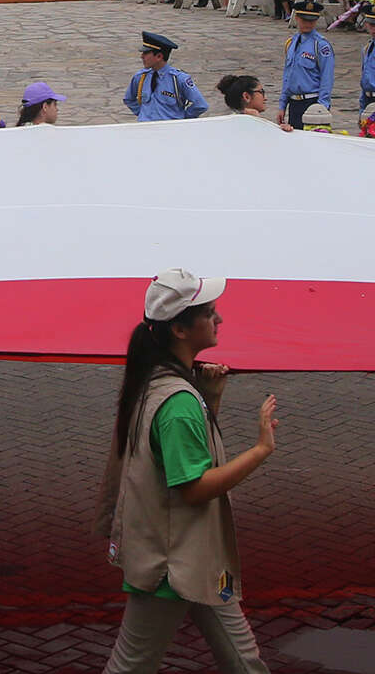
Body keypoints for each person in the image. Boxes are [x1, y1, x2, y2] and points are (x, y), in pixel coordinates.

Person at [97, 268, 277, 674]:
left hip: (192, 556)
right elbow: (193, 487)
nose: (219, 319)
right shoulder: (178, 402)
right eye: (209, 313)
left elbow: (180, 455)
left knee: (244, 661)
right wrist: (261, 450)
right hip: (174, 564)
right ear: (180, 329)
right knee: (131, 666)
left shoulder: (156, 383)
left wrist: (208, 397)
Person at [124, 32, 208, 121]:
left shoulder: (178, 79)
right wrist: (143, 114)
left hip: (170, 128)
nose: (142, 56)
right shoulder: (141, 77)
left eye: (145, 53)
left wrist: (183, 118)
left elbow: (201, 105)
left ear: (159, 56)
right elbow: (128, 99)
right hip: (145, 127)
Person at [278, 0, 334, 126]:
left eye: (311, 21)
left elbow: (327, 77)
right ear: (296, 18)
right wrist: (282, 105)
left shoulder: (321, 45)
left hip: (312, 102)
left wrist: (322, 106)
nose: (308, 24)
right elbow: (287, 77)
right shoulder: (291, 43)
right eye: (304, 20)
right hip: (294, 103)